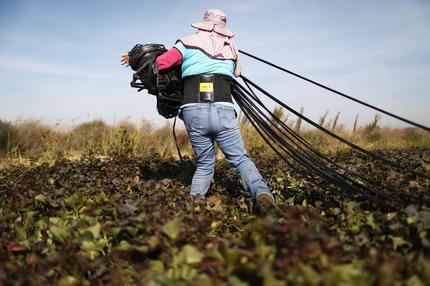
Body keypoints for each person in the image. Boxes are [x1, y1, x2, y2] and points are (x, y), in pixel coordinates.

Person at [121, 9, 281, 216]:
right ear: (223, 27)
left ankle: (195, 208)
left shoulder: (186, 42)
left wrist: (134, 58)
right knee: (240, 160)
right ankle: (262, 195)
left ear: (203, 23)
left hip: (192, 110)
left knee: (205, 163)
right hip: (223, 108)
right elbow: (236, 73)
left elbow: (161, 63)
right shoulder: (231, 49)